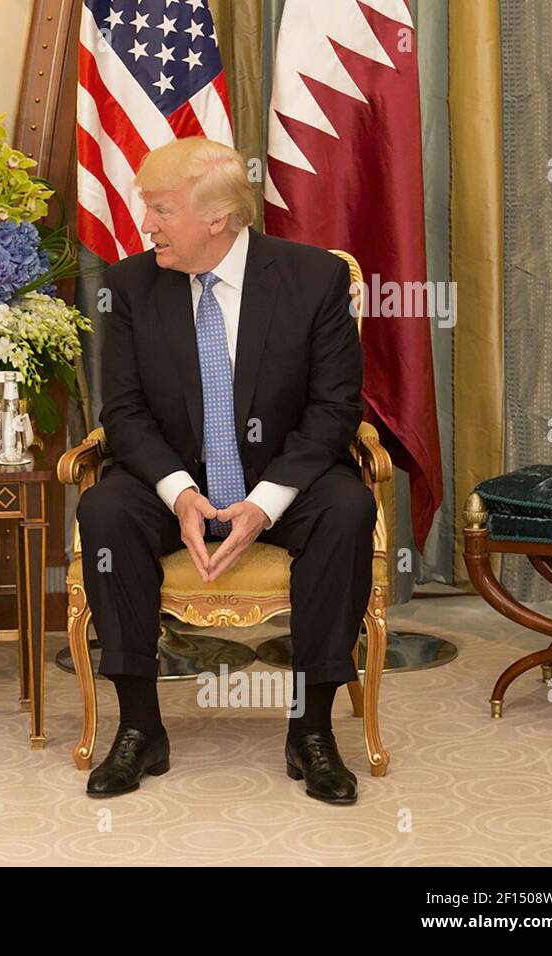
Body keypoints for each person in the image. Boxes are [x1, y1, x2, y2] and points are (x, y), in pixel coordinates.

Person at [78, 137, 375, 804]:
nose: (145, 225)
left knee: (348, 509)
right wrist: (180, 493)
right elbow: (122, 411)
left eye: (159, 210)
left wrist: (265, 502)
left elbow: (335, 407)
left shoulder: (311, 279)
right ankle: (139, 727)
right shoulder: (130, 285)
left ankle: (313, 731)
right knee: (104, 510)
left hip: (283, 474)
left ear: (216, 218)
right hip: (172, 474)